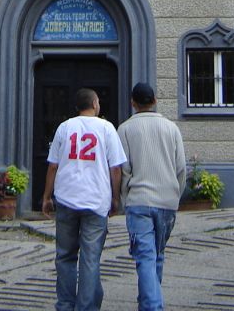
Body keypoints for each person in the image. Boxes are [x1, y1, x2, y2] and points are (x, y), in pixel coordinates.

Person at [42, 87, 127, 311]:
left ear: (77, 107)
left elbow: (53, 166)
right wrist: (115, 198)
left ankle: (65, 305)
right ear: (95, 104)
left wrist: (46, 197)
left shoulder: (64, 128)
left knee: (65, 256)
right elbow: (116, 168)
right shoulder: (107, 128)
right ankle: (87, 307)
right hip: (96, 201)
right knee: (90, 259)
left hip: (67, 199)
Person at [117, 81, 187, 311]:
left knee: (145, 257)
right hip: (167, 202)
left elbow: (124, 170)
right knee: (157, 255)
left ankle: (152, 306)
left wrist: (124, 199)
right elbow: (181, 168)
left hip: (140, 201)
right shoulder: (171, 128)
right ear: (155, 100)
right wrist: (175, 195)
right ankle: (148, 303)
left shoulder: (125, 129)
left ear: (132, 103)